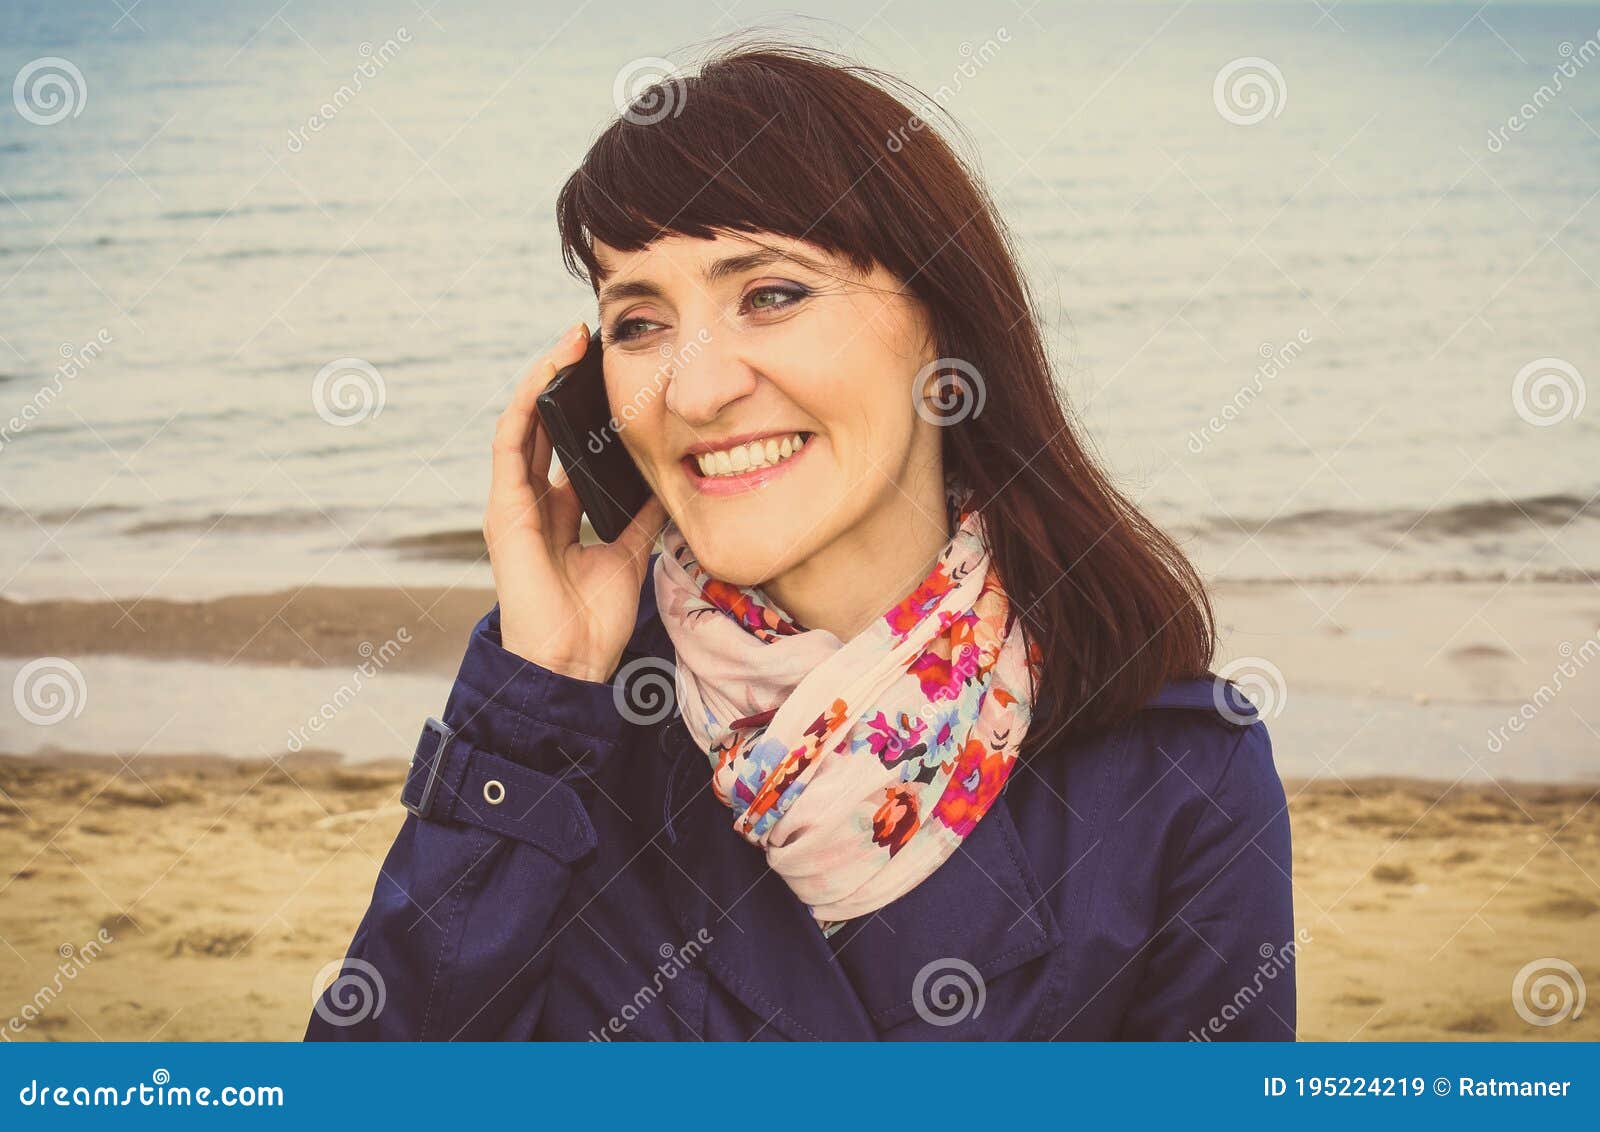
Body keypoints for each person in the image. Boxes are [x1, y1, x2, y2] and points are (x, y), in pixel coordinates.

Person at [305, 41, 1294, 1042]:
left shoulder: (1176, 774)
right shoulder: (569, 733)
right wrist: (540, 691)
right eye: (639, 322)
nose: (691, 390)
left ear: (940, 325)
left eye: (770, 295)